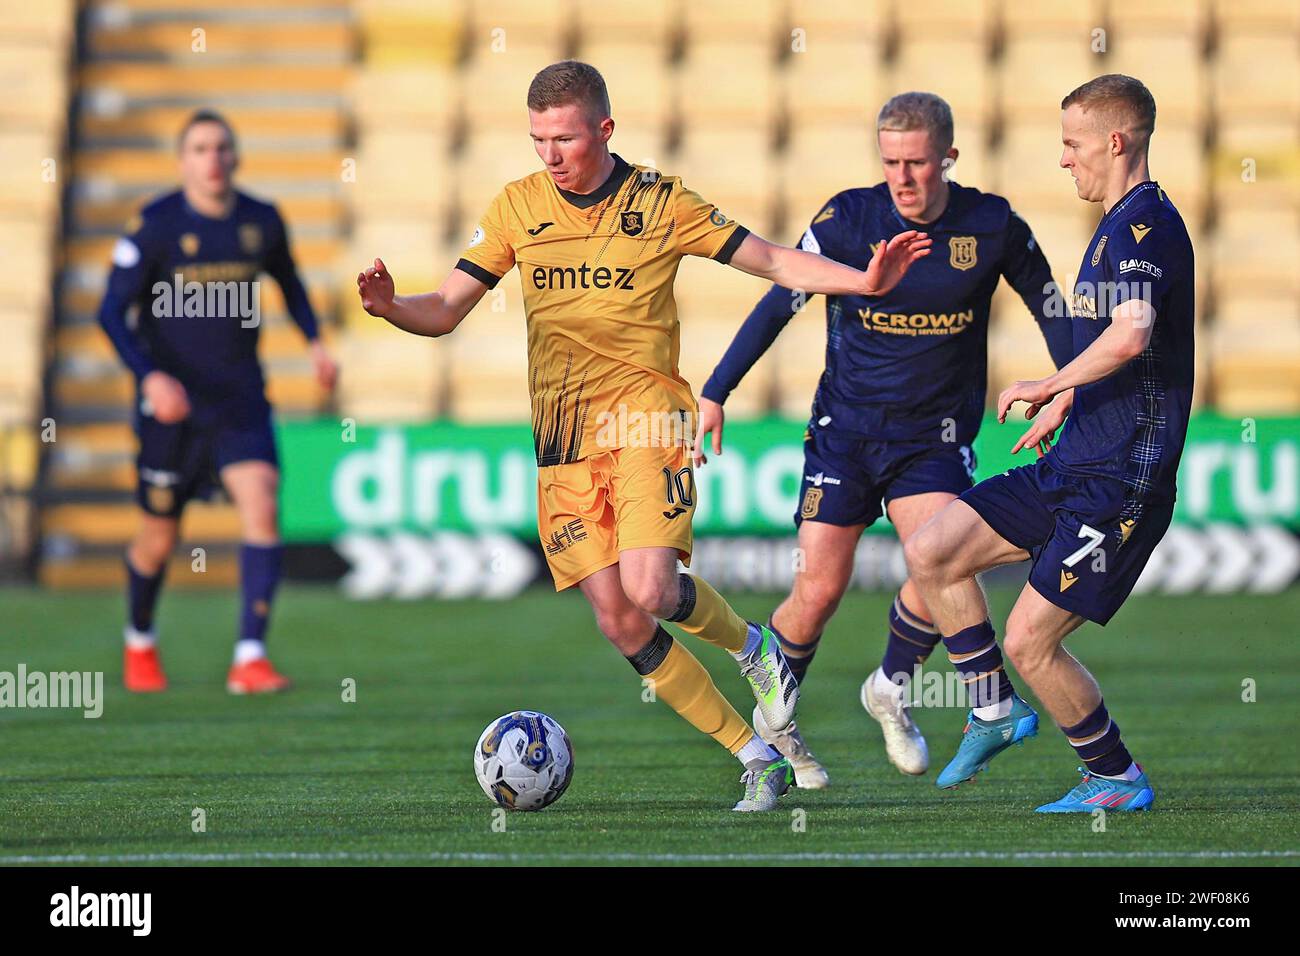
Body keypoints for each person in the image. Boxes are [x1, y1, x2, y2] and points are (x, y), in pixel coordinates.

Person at [355, 61, 930, 810]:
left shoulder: (660, 203)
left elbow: (771, 259)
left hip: (646, 419)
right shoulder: (517, 207)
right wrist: (391, 306)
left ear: (604, 129)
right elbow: (446, 309)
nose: (550, 155)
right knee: (619, 617)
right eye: (537, 140)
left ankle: (753, 648)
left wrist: (863, 282)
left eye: (563, 138)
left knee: (651, 587)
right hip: (562, 439)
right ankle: (756, 756)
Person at [693, 92, 1073, 788]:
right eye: (892, 161)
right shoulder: (845, 220)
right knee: (818, 592)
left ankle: (892, 684)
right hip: (846, 432)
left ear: (948, 158)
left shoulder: (990, 225)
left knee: (942, 560)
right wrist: (717, 388)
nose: (903, 177)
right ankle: (777, 730)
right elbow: (781, 297)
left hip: (936, 438)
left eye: (918, 162)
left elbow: (1049, 304)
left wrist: (1068, 384)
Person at [903, 74, 1193, 809]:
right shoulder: (1113, 224)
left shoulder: (1146, 228)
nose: (1064, 160)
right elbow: (1119, 348)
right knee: (933, 548)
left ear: (1115, 141)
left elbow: (1132, 336)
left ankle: (1114, 777)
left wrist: (1045, 380)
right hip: (1072, 458)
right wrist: (1068, 399)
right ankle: (995, 710)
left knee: (1033, 639)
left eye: (1072, 144)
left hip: (1122, 479)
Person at [98, 110, 338, 695]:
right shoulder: (155, 226)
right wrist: (150, 378)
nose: (214, 158)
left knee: (261, 504)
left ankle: (249, 658)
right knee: (158, 539)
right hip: (173, 407)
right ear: (183, 161)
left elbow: (290, 284)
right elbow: (110, 312)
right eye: (201, 148)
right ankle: (140, 642)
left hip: (240, 399)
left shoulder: (261, 220)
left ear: (236, 157)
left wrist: (315, 344)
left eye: (222, 148)